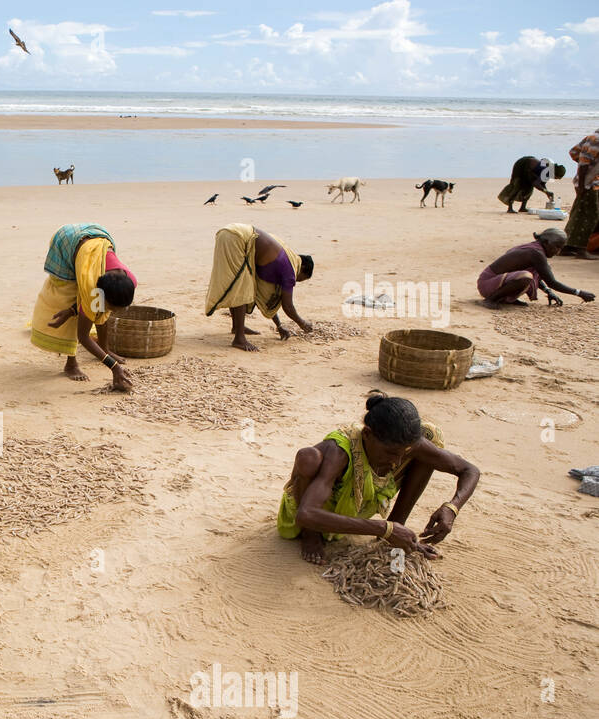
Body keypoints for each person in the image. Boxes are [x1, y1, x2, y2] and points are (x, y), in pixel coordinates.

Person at [278, 392, 479, 565]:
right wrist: (384, 528)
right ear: (367, 434)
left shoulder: (403, 445)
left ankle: (397, 525)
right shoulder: (339, 451)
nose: (396, 461)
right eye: (390, 453)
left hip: (362, 504)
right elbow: (306, 513)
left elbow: (470, 470)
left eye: (404, 453)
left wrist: (452, 508)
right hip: (320, 512)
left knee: (430, 437)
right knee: (309, 458)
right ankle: (310, 535)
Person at [30, 223, 136, 390]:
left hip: (93, 238)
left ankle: (104, 348)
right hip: (66, 242)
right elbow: (83, 337)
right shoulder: (92, 288)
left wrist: (74, 310)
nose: (113, 312)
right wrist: (114, 367)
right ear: (100, 294)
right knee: (71, 295)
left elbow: (99, 310)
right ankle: (71, 364)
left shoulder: (130, 280)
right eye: (112, 307)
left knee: (98, 311)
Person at [204, 223, 313, 351]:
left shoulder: (285, 256)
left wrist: (279, 326)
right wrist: (302, 323)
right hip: (236, 238)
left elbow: (264, 297)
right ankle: (239, 339)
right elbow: (287, 306)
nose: (296, 281)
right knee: (241, 288)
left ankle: (237, 327)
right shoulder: (290, 271)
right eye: (301, 279)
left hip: (231, 233)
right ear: (303, 268)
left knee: (239, 283)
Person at [477, 228, 595, 308]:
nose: (557, 252)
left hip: (496, 281)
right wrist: (578, 292)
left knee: (527, 276)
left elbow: (541, 276)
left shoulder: (536, 250)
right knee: (525, 277)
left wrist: (548, 292)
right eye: (556, 247)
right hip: (487, 283)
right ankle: (490, 300)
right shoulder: (535, 253)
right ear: (545, 242)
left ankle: (505, 298)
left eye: (560, 248)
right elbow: (552, 282)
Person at [562, 128, 599, 259]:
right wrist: (583, 184)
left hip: (588, 181)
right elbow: (584, 163)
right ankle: (582, 249)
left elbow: (573, 152)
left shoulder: (591, 138)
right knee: (592, 216)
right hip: (590, 184)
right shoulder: (596, 140)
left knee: (579, 213)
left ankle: (566, 246)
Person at [497, 156, 565, 213]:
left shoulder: (549, 173)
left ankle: (522, 208)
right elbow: (536, 183)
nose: (556, 179)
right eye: (556, 177)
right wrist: (546, 191)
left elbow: (542, 184)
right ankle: (510, 208)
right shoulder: (547, 171)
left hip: (531, 170)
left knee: (529, 188)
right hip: (522, 165)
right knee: (518, 185)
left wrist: (547, 192)